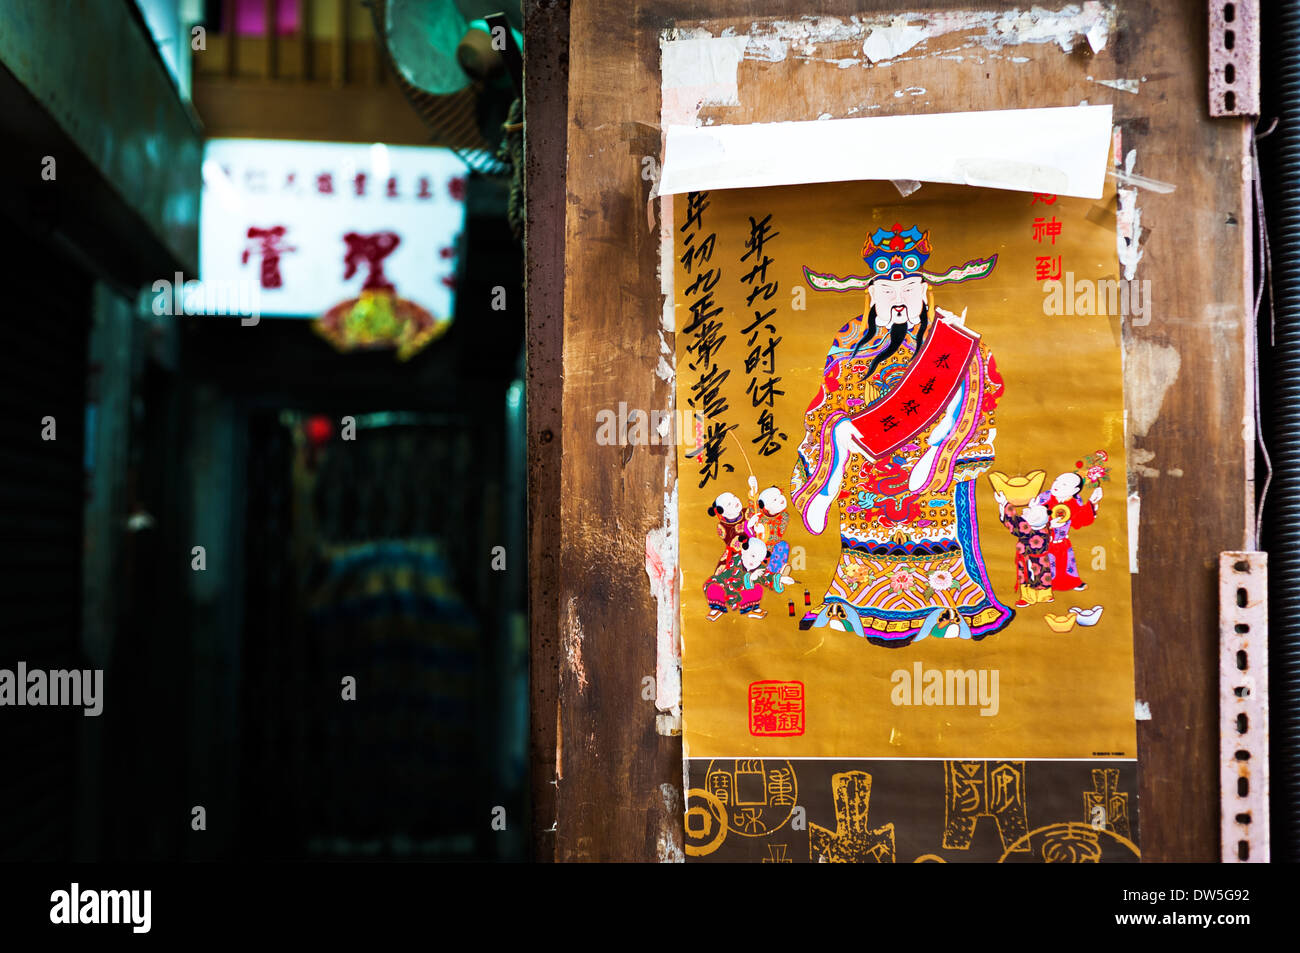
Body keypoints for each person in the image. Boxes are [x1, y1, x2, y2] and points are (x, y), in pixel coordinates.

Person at [791, 224, 1013, 647]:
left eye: (909, 289)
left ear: (924, 290)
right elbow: (826, 396)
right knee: (862, 533)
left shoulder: (948, 340)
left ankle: (946, 603)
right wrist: (836, 436)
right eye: (888, 292)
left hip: (928, 469)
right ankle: (856, 597)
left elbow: (981, 397)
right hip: (866, 467)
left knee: (934, 537)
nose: (899, 300)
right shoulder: (850, 339)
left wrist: (939, 452)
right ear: (872, 293)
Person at [1035, 472, 1102, 592]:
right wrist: (1049, 525)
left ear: (1075, 490)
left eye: (1064, 484)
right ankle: (1044, 585)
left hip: (1062, 540)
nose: (1057, 485)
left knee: (1065, 563)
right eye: (1056, 481)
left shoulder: (1075, 501)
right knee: (1046, 565)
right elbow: (1033, 517)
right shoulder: (1045, 497)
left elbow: (1079, 521)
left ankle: (1071, 583)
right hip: (1043, 540)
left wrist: (1092, 502)